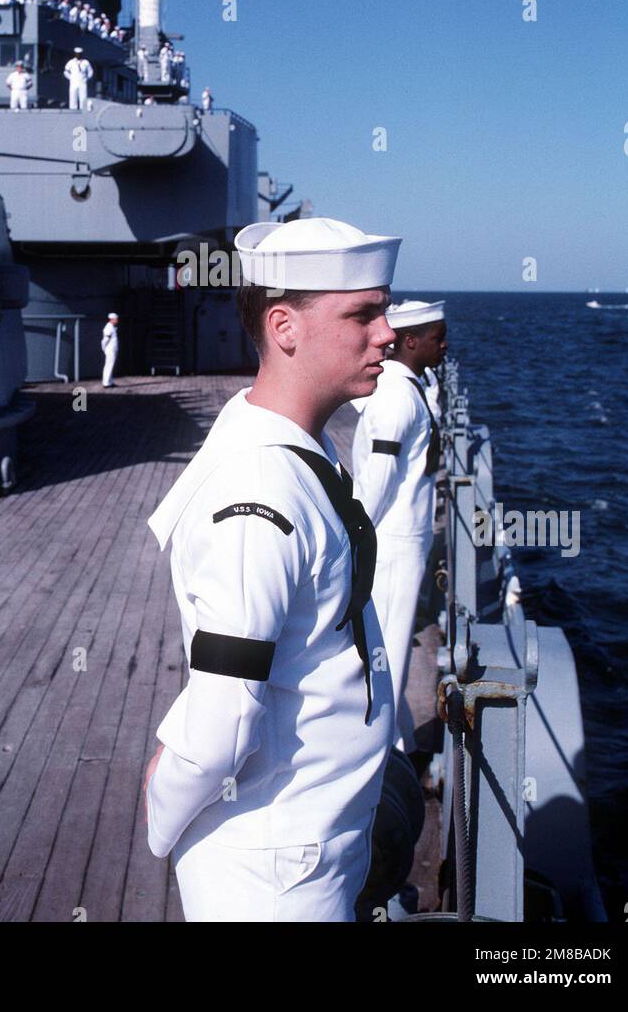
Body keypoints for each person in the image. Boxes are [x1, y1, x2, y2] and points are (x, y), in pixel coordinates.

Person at [143, 217, 402, 923]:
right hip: (275, 881)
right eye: (363, 314)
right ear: (284, 327)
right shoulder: (258, 492)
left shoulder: (293, 450)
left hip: (314, 849)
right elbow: (222, 722)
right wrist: (162, 817)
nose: (387, 333)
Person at [351, 299, 448, 754]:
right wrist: (356, 534)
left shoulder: (406, 386)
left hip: (405, 538)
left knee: (392, 651)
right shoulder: (396, 395)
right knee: (387, 651)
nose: (444, 345)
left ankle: (398, 742)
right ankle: (382, 757)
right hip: (393, 540)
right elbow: (380, 476)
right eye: (437, 337)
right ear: (411, 341)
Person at [101, 312, 119, 387]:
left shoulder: (112, 327)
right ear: (112, 319)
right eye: (116, 319)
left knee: (110, 365)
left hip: (112, 349)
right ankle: (106, 383)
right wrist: (104, 348)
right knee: (109, 365)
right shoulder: (108, 327)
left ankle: (109, 381)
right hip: (110, 350)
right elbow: (105, 340)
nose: (117, 320)